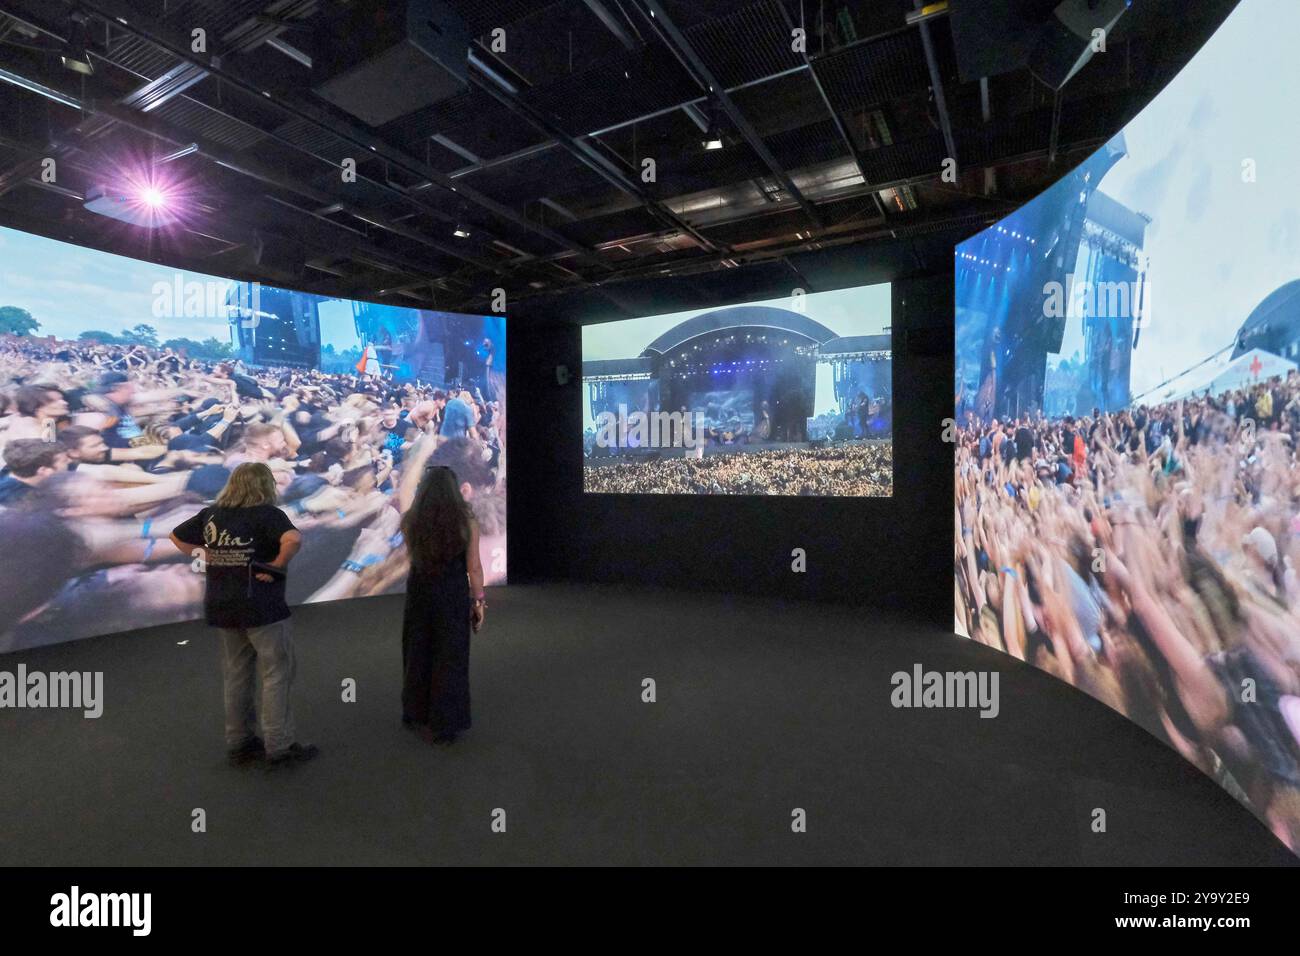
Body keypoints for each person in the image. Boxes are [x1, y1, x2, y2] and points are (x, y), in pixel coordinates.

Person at [169, 462, 317, 768]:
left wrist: (204, 554)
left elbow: (176, 536)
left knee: (237, 675)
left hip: (223, 604)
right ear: (265, 485)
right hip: (262, 606)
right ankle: (279, 746)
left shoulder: (213, 514)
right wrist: (277, 565)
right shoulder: (267, 514)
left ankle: (239, 742)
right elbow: (294, 539)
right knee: (276, 674)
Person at [400, 464, 486, 745]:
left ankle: (415, 711)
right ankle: (445, 723)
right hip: (451, 592)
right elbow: (473, 567)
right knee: (450, 654)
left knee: (418, 650)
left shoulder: (411, 519)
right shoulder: (466, 520)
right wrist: (479, 602)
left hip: (419, 591)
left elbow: (413, 556)